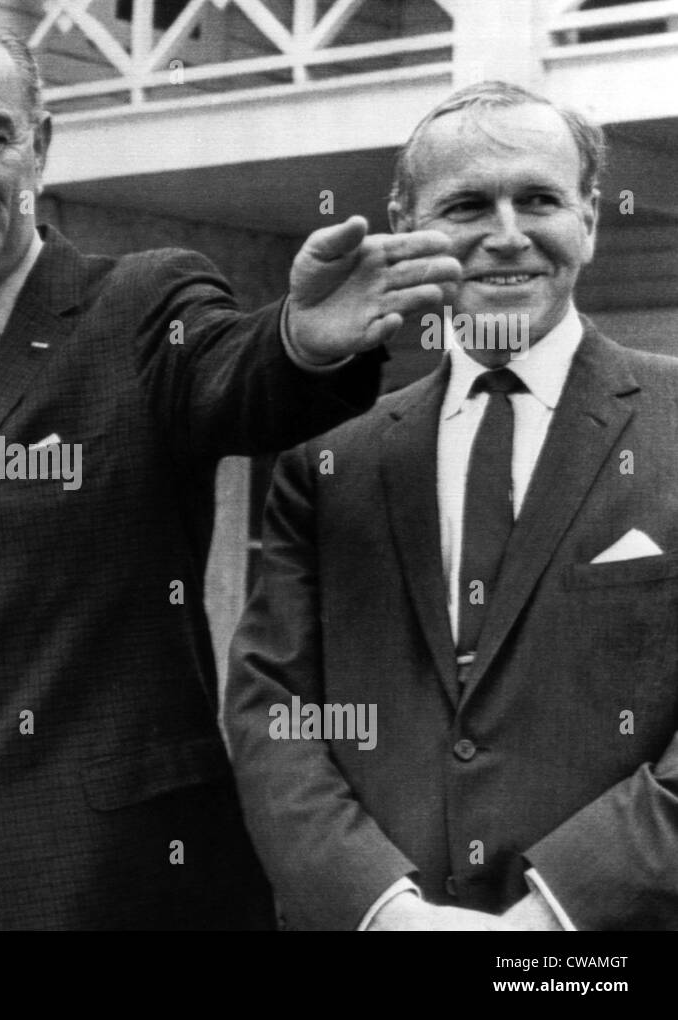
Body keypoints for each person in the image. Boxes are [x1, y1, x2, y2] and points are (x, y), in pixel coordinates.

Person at [0, 15, 459, 930]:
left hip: (120, 888)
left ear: (40, 149)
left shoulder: (142, 306)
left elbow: (234, 376)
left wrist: (297, 344)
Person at [226, 80, 678, 930]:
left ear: (589, 217)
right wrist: (385, 909)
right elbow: (272, 709)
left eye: (539, 199)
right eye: (468, 204)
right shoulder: (328, 462)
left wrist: (553, 919)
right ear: (409, 227)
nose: (507, 236)